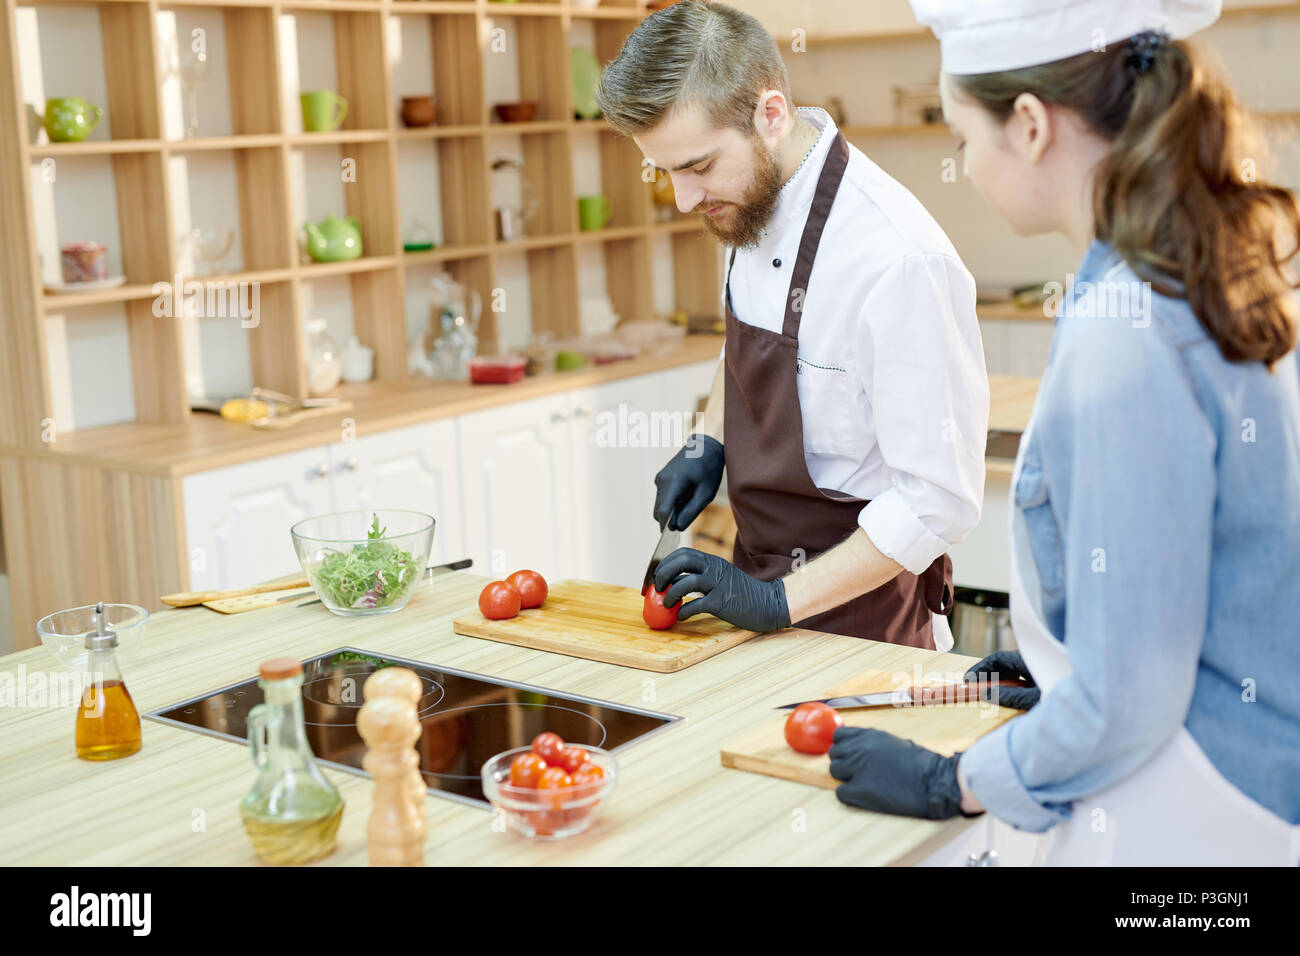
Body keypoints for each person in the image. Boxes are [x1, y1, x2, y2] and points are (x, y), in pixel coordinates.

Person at [828, 0, 1300, 865]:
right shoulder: (1184, 271)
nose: (963, 166)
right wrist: (1052, 665)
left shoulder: (1127, 333)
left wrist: (960, 779)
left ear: (1033, 126)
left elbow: (1128, 701)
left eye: (963, 138)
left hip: (1198, 815)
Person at [596, 1, 989, 651]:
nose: (684, 199)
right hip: (753, 620)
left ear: (770, 115)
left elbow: (937, 503)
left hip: (867, 636)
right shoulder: (745, 203)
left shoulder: (897, 260)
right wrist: (708, 439)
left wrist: (777, 599)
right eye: (666, 173)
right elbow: (750, 339)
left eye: (695, 166)